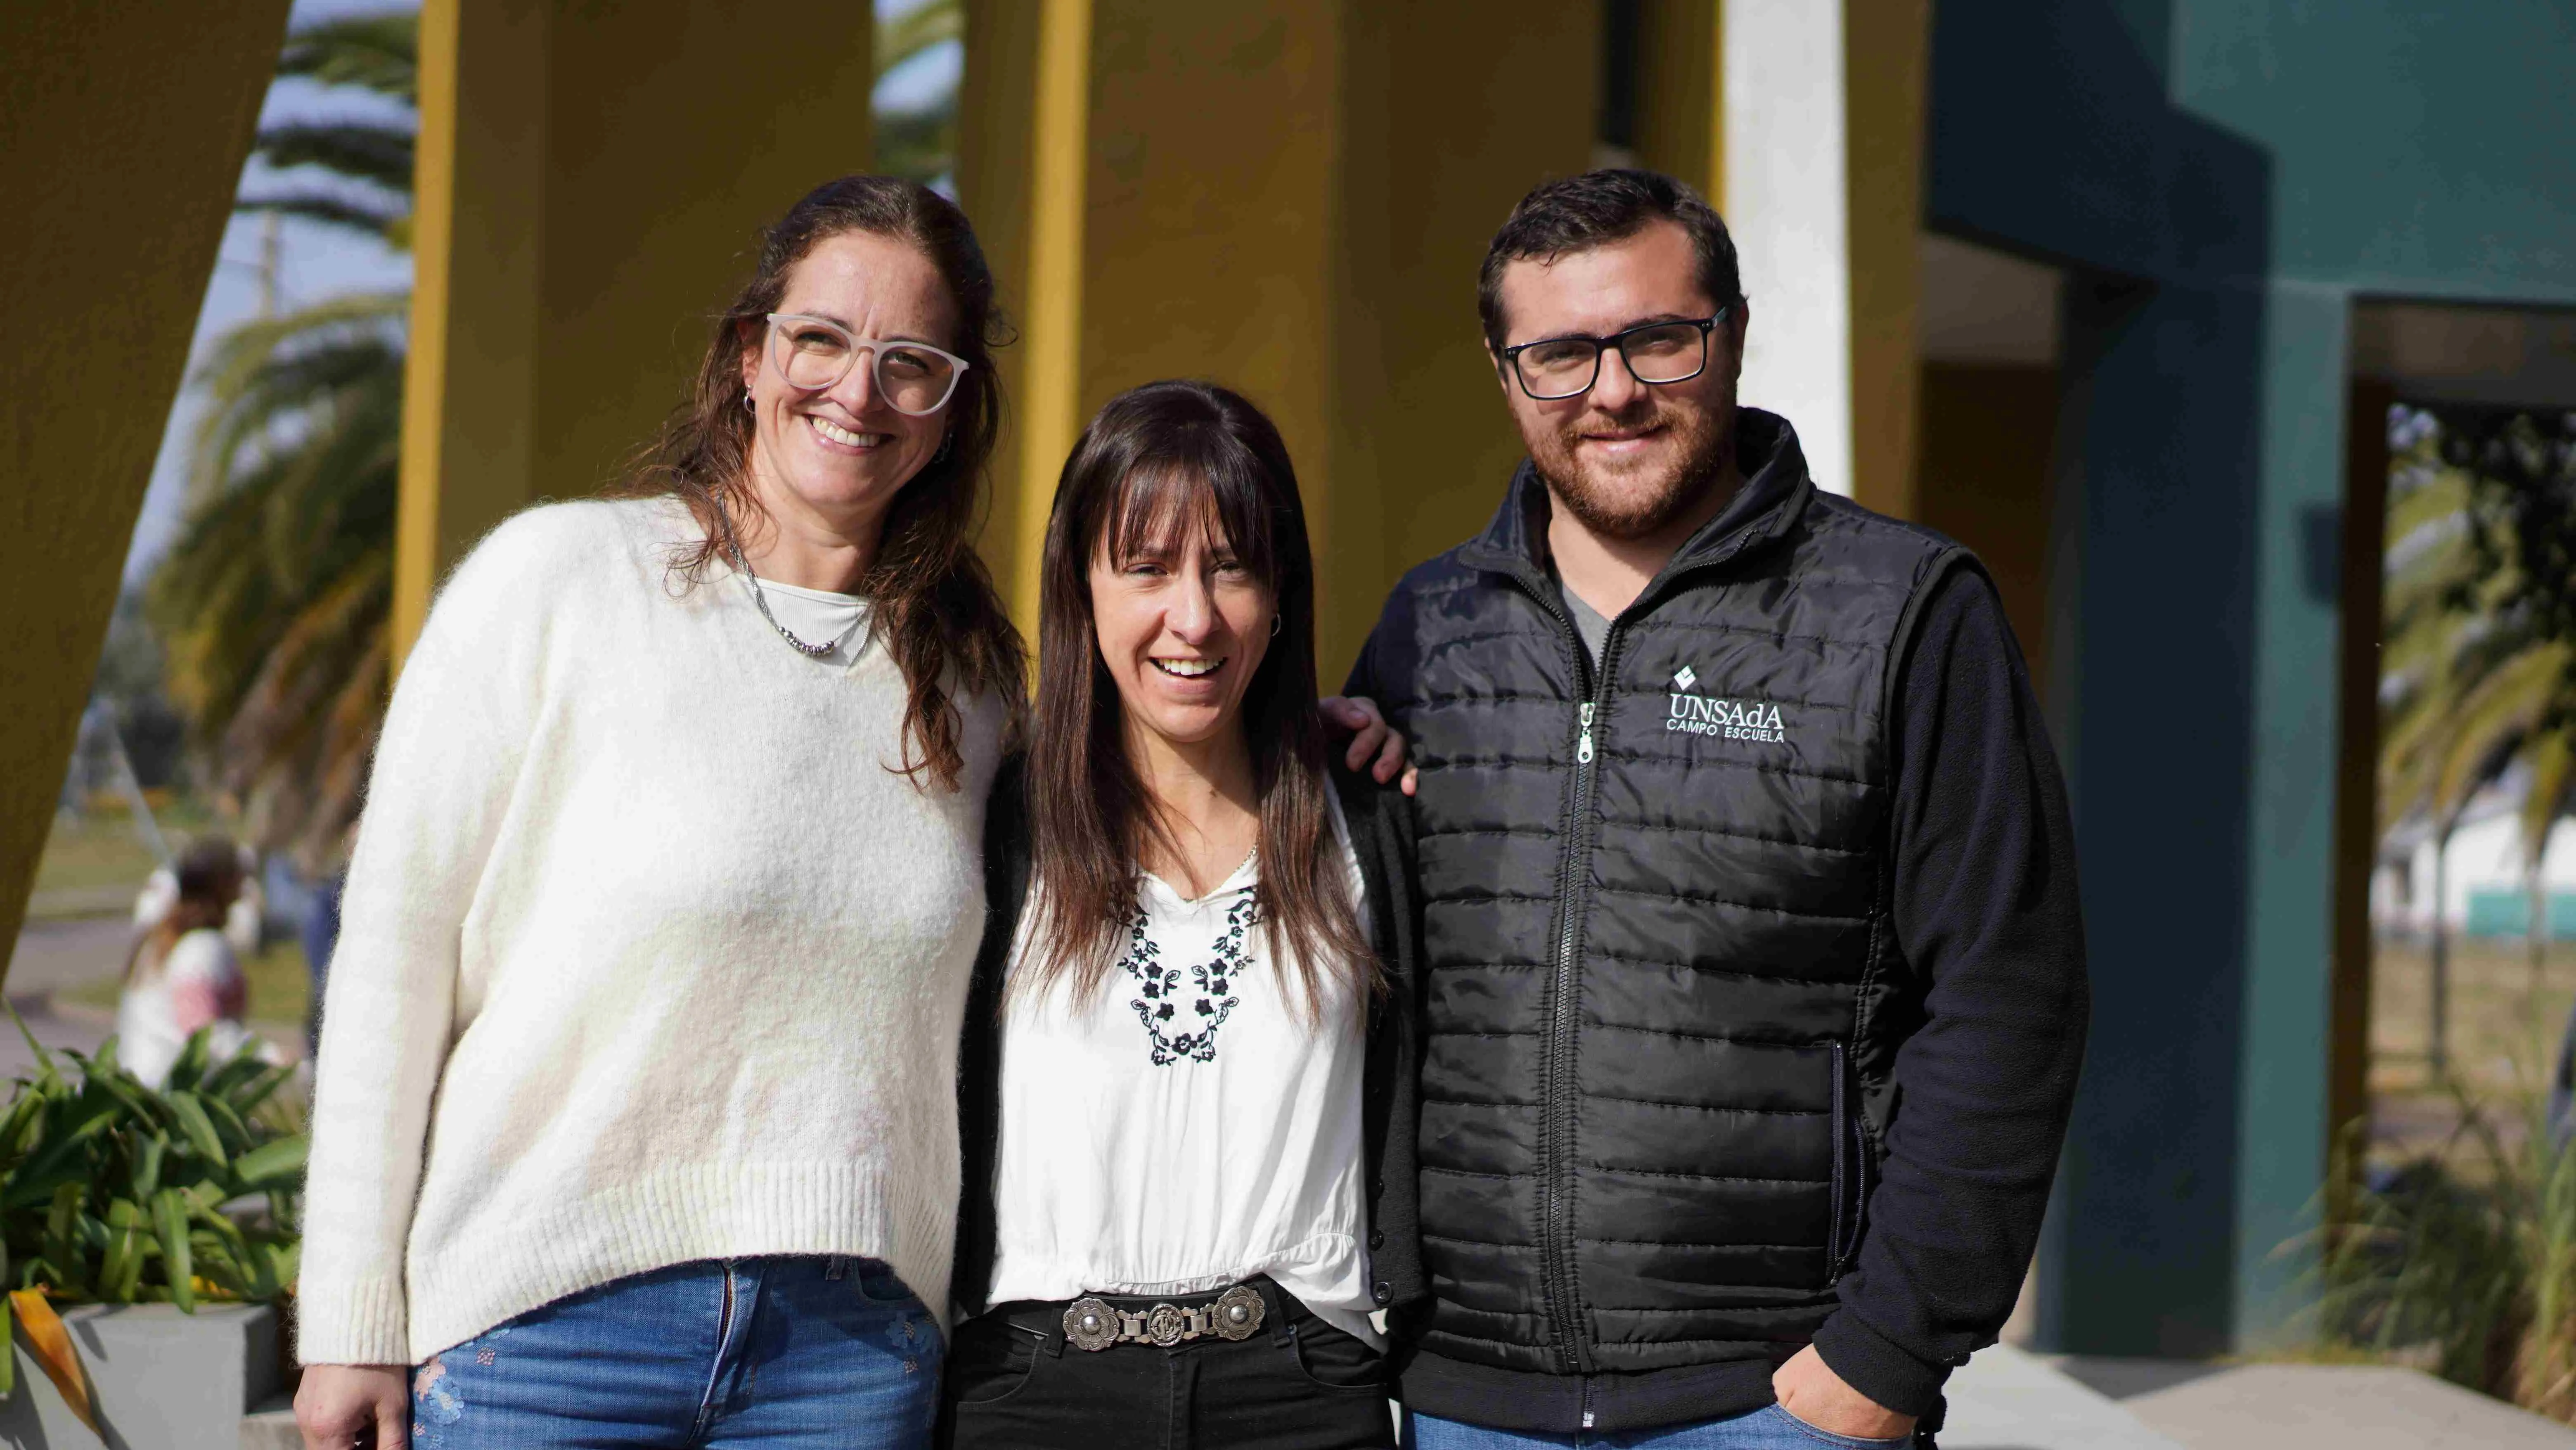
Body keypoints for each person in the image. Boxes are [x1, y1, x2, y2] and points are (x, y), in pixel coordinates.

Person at [1345, 170, 2090, 1448]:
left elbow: (2008, 994)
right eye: (1560, 354)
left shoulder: (1903, 611)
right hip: (1462, 1400)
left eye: (1655, 339)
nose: (1611, 390)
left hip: (1770, 1402)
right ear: (1505, 372)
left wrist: (1884, 1355)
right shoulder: (1427, 630)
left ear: (1730, 334)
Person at [291, 176, 1030, 1450]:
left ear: (954, 408)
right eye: (822, 340)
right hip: (542, 1331)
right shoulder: (558, 584)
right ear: (750, 354)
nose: (857, 392)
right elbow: (392, 960)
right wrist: (349, 1320)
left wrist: (1334, 740)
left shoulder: (973, 689)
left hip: (848, 1363)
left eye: (912, 363)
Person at [944, 381, 1423, 1450]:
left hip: (1303, 1397)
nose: (1194, 618)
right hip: (1033, 1399)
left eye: (1233, 568)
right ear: (1082, 587)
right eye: (1148, 568)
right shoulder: (998, 823)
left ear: (1284, 591)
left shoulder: (1369, 822)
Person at [116, 835, 281, 1088]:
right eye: (240, 877)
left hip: (135, 1083)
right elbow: (203, 1033)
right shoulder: (202, 947)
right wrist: (270, 1057)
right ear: (224, 884)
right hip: (169, 1098)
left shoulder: (159, 934)